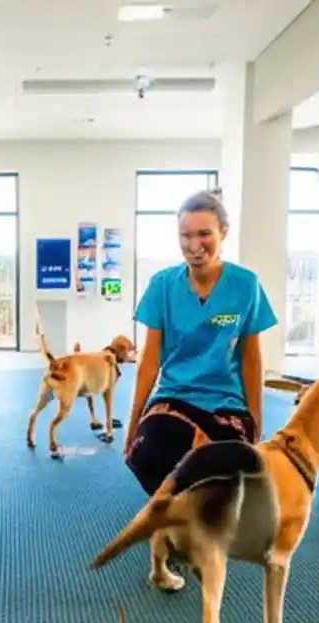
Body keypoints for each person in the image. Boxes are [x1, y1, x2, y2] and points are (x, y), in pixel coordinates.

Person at [122, 188, 278, 589]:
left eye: (205, 234)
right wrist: (134, 420)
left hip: (225, 399)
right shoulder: (162, 285)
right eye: (186, 236)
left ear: (224, 232)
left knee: (229, 464)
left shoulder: (245, 285)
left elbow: (250, 357)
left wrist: (255, 419)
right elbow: (150, 359)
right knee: (146, 451)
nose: (195, 245)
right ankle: (175, 528)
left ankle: (191, 526)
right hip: (174, 396)